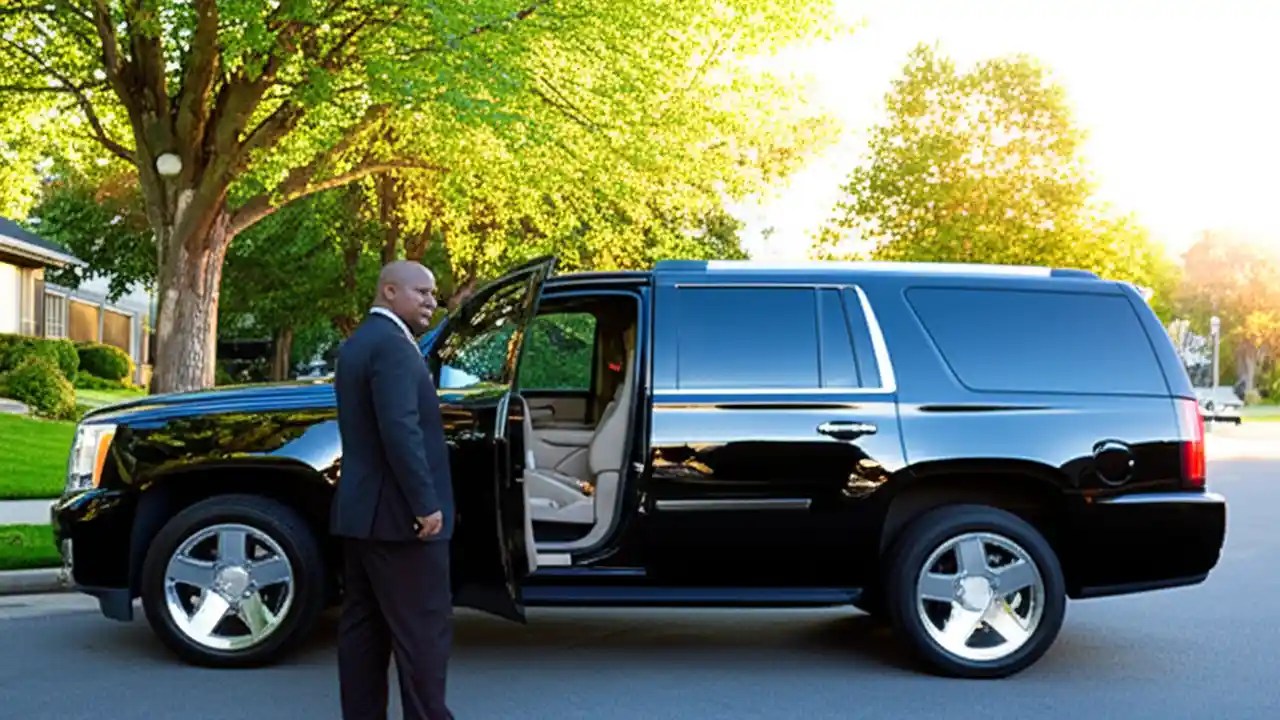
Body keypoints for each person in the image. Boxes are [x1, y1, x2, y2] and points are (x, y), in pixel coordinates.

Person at [331, 260, 456, 720]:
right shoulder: (394, 348)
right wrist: (426, 504)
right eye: (422, 292)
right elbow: (400, 431)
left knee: (364, 630)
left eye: (433, 293)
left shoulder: (360, 343)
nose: (431, 301)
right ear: (389, 291)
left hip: (363, 515)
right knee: (422, 633)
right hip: (401, 521)